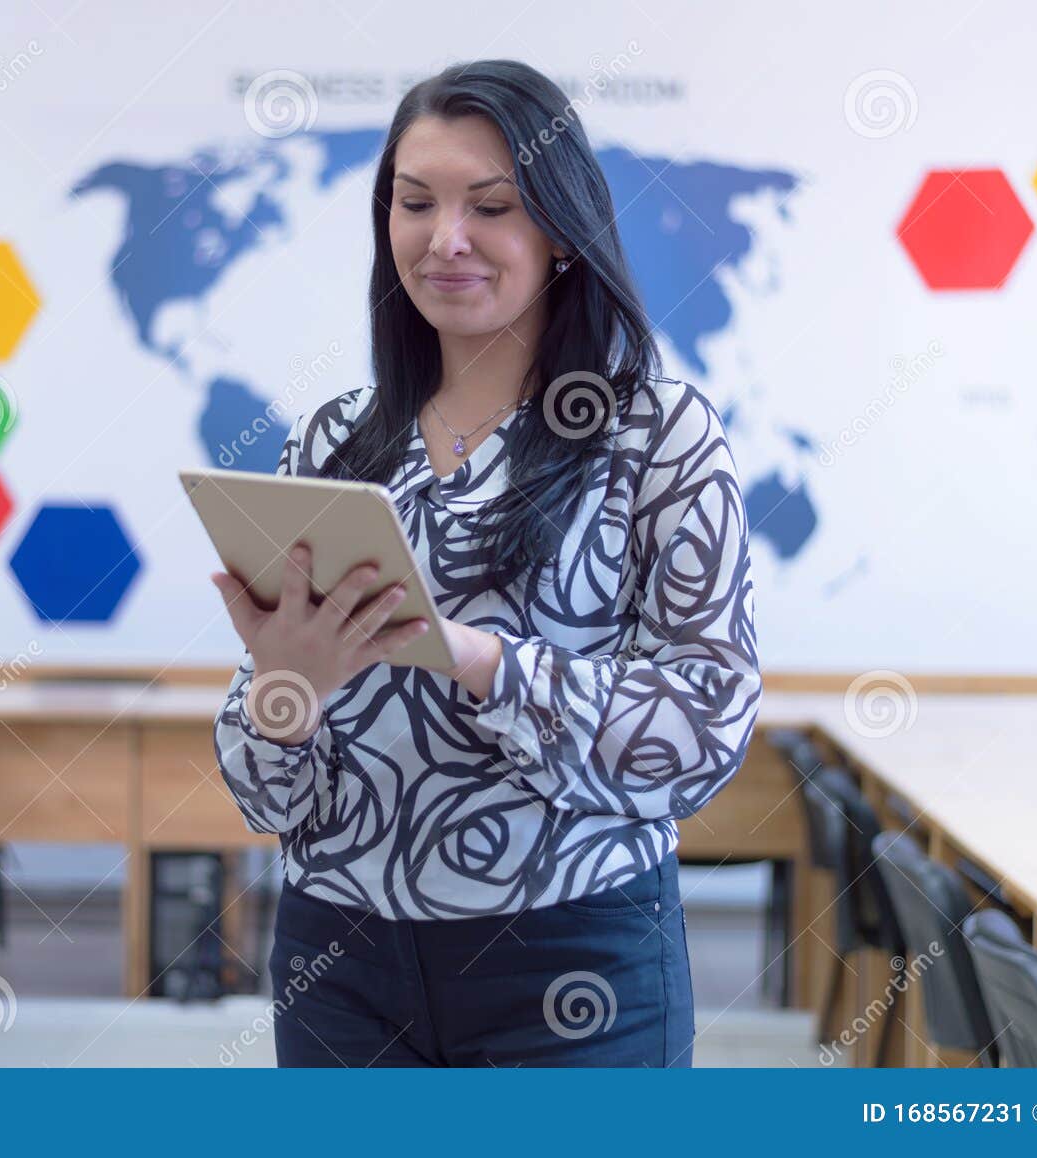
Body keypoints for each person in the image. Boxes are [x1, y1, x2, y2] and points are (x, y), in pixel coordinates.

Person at [209, 59, 760, 1067]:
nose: (444, 239)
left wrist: (481, 661)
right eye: (413, 203)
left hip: (571, 959)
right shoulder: (330, 442)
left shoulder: (656, 437)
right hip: (338, 958)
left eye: (490, 207)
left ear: (558, 228)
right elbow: (264, 800)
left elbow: (704, 728)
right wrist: (285, 689)